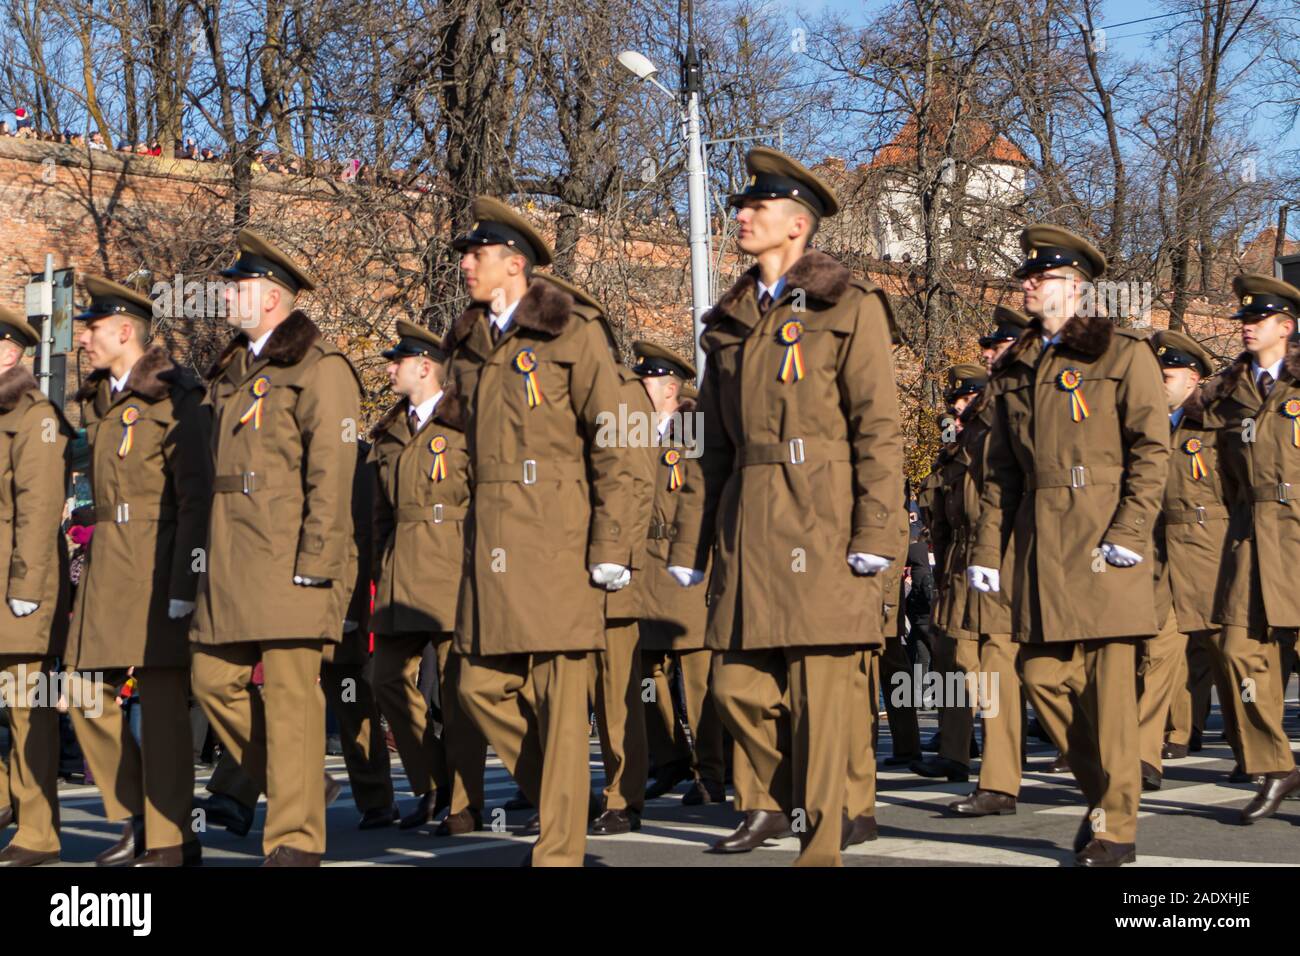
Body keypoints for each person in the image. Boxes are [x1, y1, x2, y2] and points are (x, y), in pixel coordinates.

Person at [679, 146, 905, 866]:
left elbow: (879, 427)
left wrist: (877, 530)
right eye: (741, 206)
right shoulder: (730, 322)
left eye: (757, 208)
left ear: (798, 225)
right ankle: (770, 802)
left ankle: (824, 835)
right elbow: (710, 448)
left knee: (822, 695)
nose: (740, 216)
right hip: (750, 521)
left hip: (824, 514)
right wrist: (692, 545)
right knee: (736, 683)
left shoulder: (850, 307)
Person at [969, 224, 1169, 867]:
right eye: (1026, 276)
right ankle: (1103, 795)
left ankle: (1117, 829)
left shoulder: (1120, 352)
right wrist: (985, 553)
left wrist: (1130, 533)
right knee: (1040, 674)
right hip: (1038, 544)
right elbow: (1000, 474)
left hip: (1104, 538)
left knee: (1111, 695)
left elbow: (1151, 450)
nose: (1028, 284)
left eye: (1042, 277)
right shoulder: (1018, 367)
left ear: (1078, 288)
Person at [448, 196, 633, 866]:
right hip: (493, 543)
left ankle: (558, 851)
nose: (466, 264)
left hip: (558, 536)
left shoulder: (571, 332)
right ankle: (560, 798)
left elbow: (616, 441)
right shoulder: (468, 345)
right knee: (476, 685)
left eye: (478, 254)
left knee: (560, 699)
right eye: (465, 254)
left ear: (515, 265)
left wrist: (612, 545)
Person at [189, 228, 363, 866]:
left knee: (292, 698)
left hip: (290, 554)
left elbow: (333, 471)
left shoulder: (319, 370)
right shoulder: (232, 372)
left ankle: (294, 839)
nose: (225, 297)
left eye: (235, 288)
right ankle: (298, 780)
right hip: (231, 556)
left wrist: (320, 561)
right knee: (212, 680)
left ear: (270, 297)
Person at [63, 276, 212, 867]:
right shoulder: (101, 401)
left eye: (93, 328)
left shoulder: (174, 397)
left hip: (157, 562)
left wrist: (186, 584)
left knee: (164, 706)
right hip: (107, 564)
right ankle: (135, 814)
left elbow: (198, 499)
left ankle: (170, 837)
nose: (84, 339)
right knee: (79, 692)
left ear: (125, 331)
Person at [369, 321, 486, 835]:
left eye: (398, 361)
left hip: (454, 565)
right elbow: (377, 513)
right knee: (384, 677)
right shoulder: (391, 433)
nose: (389, 368)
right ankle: (432, 780)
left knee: (460, 693)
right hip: (402, 570)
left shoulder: (465, 425)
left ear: (425, 366)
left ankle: (464, 801)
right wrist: (379, 563)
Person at [1199, 274, 1300, 820]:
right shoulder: (1227, 395)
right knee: (1237, 651)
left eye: (1257, 319)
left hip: (1299, 534)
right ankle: (1277, 766)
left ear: (1285, 327)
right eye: (1243, 319)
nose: (1246, 327)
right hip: (1250, 537)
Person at [1135, 330, 1239, 792]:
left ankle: (1251, 748)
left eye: (1168, 374)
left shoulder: (1215, 422)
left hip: (1210, 547)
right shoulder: (1147, 425)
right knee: (1157, 652)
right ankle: (1143, 754)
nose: (1159, 382)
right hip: (1161, 550)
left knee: (1228, 655)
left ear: (1193, 378)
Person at [634, 344, 727, 807]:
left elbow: (705, 496)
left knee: (698, 676)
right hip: (642, 568)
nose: (638, 388)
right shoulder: (631, 433)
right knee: (645, 673)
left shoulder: (694, 431)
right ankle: (669, 758)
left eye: (647, 381)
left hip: (686, 560)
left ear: (670, 388)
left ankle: (710, 771)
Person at [0, 307, 72, 866]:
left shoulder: (34, 415)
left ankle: (38, 832)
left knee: (28, 709)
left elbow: (41, 506)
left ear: (9, 351)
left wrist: (27, 586)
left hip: (19, 584)